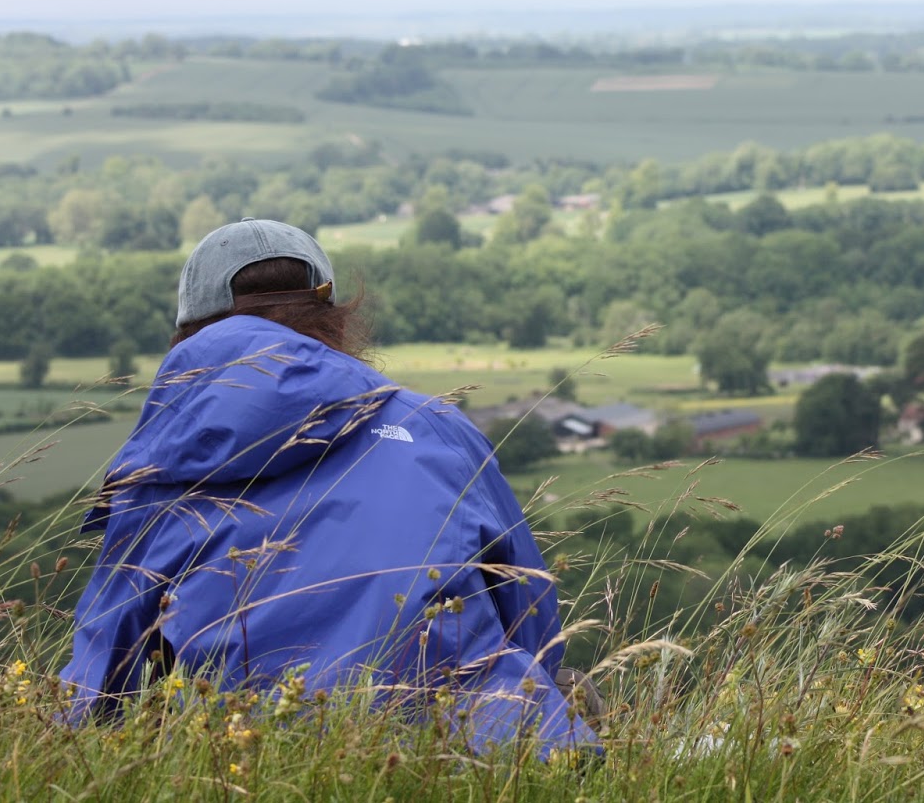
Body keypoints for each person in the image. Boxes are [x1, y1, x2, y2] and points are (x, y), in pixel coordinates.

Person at [61, 218, 600, 754]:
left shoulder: (158, 465)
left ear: (188, 337)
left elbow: (104, 667)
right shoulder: (434, 428)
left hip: (251, 762)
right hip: (487, 754)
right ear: (335, 323)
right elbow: (528, 608)